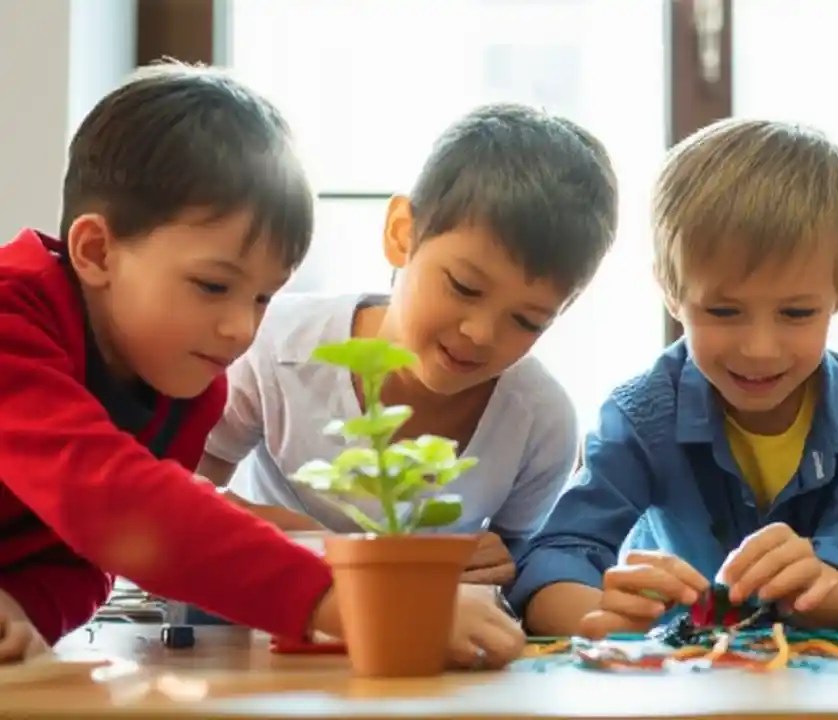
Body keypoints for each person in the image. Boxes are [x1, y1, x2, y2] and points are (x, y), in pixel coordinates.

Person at [0, 63, 523, 668]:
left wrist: (22, 605)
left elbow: (92, 559)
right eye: (212, 285)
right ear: (96, 251)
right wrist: (352, 601)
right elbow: (112, 501)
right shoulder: (12, 319)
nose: (242, 330)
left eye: (262, 297)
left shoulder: (186, 383)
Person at [511, 118, 838, 638]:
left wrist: (823, 585)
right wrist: (595, 615)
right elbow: (559, 552)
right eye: (724, 312)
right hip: (678, 688)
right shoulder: (641, 414)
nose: (760, 349)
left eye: (796, 314)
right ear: (670, 292)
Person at [198, 103, 619, 586]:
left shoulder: (541, 421)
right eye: (464, 286)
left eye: (527, 320)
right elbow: (185, 492)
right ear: (402, 234)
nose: (481, 333)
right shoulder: (276, 348)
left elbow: (523, 560)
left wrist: (508, 565)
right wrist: (300, 540)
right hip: (263, 625)